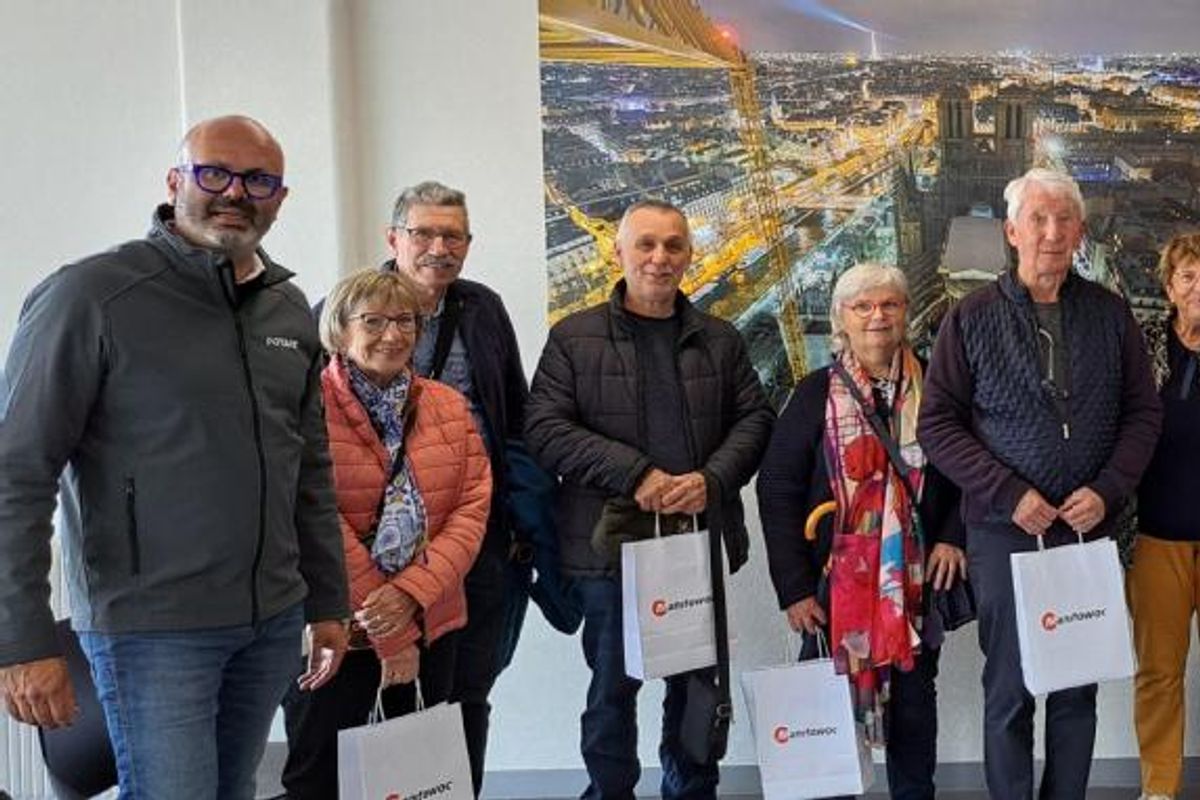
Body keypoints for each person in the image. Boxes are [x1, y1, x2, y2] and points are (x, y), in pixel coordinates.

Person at [0, 115, 350, 799]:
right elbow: (17, 472)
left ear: (281, 196)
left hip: (271, 621)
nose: (235, 193)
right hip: (154, 632)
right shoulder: (90, 297)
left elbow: (308, 469)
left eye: (258, 180)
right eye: (213, 173)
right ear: (174, 182)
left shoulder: (285, 312)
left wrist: (327, 598)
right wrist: (21, 638)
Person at [918, 167, 1162, 800]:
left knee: (1078, 693)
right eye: (1038, 220)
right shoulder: (969, 318)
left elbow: (1143, 414)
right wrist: (1008, 493)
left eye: (1064, 220)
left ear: (1080, 231)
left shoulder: (1110, 315)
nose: (1052, 233)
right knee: (1010, 692)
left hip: (1087, 532)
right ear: (1012, 232)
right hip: (1004, 535)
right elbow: (938, 425)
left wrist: (1108, 489)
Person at [524, 199, 774, 799]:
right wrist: (635, 474)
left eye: (673, 246)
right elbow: (544, 429)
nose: (660, 259)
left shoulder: (720, 338)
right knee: (612, 691)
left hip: (693, 545)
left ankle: (691, 790)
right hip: (608, 550)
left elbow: (756, 419)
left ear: (690, 254)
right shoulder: (573, 338)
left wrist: (711, 480)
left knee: (696, 690)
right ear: (618, 251)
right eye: (646, 244)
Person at [757, 262, 965, 800]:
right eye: (862, 307)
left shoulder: (938, 392)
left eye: (890, 305)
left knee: (916, 712)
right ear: (841, 320)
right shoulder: (812, 396)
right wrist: (795, 588)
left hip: (914, 587)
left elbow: (968, 471)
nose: (878, 316)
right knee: (827, 717)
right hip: (832, 592)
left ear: (905, 315)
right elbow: (776, 491)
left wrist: (952, 536)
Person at [280, 268, 491, 797]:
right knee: (321, 778)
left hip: (433, 621)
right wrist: (389, 628)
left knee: (416, 778)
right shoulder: (303, 405)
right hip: (335, 632)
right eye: (373, 321)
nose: (392, 334)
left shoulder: (447, 404)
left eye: (405, 321)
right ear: (339, 329)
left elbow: (471, 507)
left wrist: (411, 596)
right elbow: (312, 520)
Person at [379, 180, 544, 794]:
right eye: (423, 232)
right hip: (388, 547)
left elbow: (513, 415)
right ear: (393, 237)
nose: (437, 247)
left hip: (479, 536)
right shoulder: (352, 307)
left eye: (452, 235)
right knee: (396, 689)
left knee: (471, 688)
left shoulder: (482, 308)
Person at [1127, 232, 1200, 800]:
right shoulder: (1146, 345)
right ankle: (1159, 789)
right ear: (1170, 286)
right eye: (1189, 276)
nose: (1199, 288)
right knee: (1158, 676)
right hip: (1156, 539)